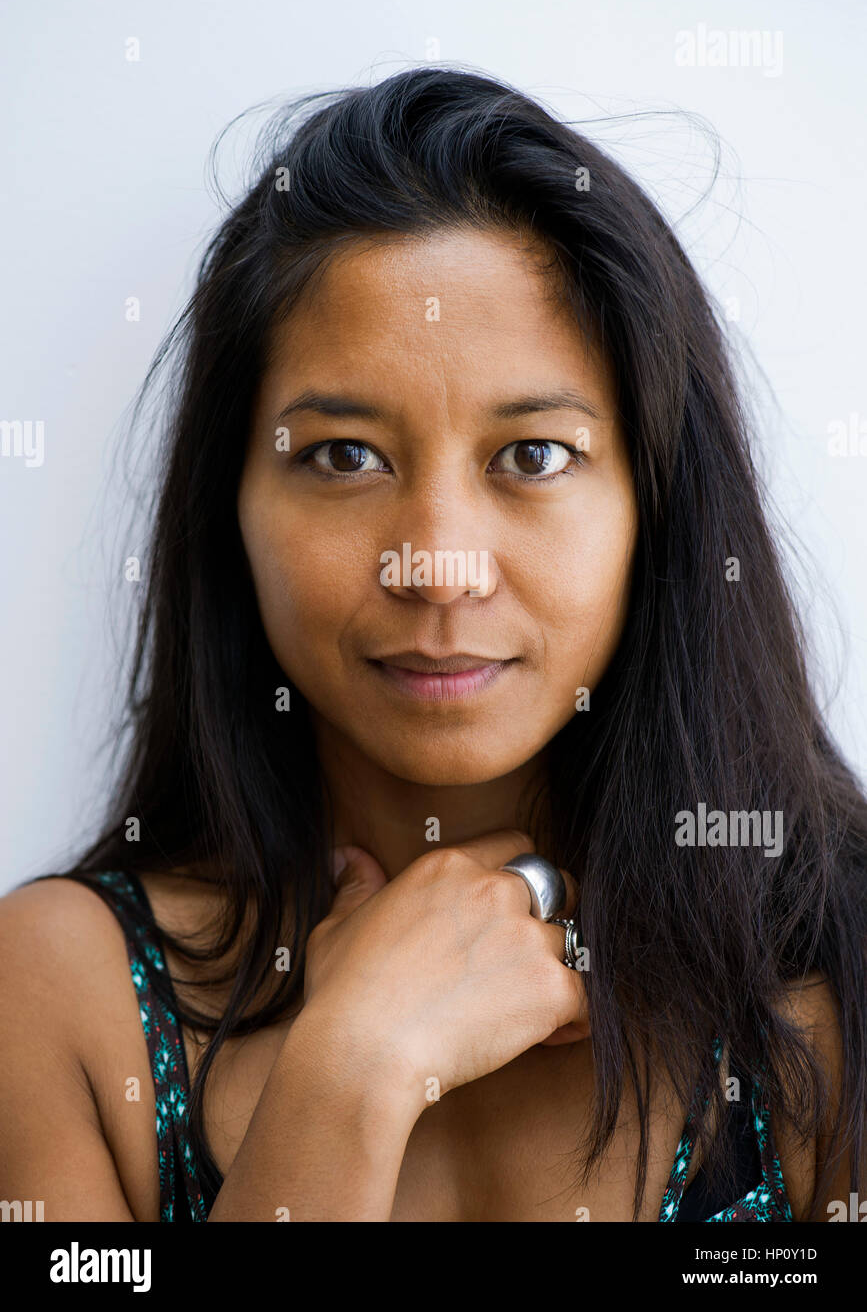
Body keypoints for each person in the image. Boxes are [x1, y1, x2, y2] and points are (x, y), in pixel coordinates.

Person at [1, 68, 864, 1223]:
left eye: (535, 456)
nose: (438, 564)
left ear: (657, 508)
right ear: (231, 505)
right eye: (345, 455)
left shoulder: (832, 992)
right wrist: (349, 1074)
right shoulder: (58, 994)